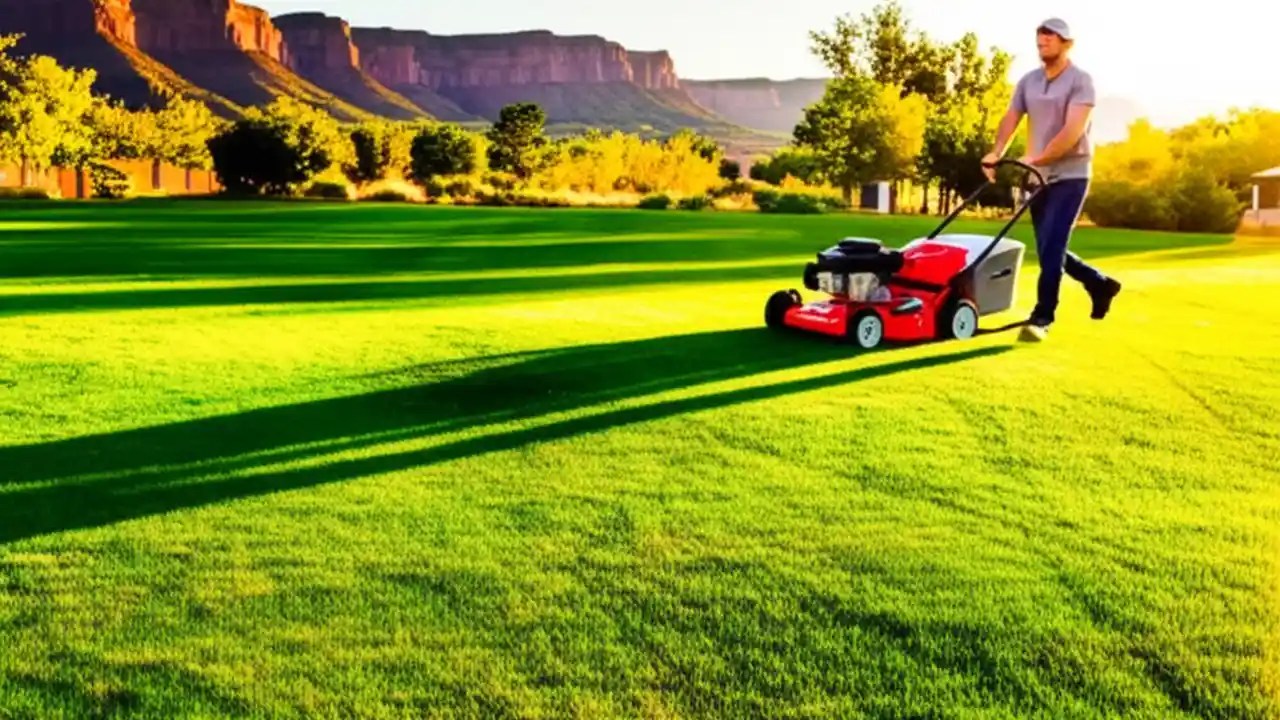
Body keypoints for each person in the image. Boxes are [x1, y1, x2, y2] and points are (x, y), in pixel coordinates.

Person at [983, 17, 1122, 342]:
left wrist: (1038, 158)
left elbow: (1072, 131)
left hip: (1071, 175)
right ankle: (1099, 283)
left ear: (1067, 44)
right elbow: (1011, 117)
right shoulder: (1029, 81)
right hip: (1038, 178)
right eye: (1040, 36)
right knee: (1049, 248)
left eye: (1051, 36)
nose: (1043, 40)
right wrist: (996, 151)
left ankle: (1042, 316)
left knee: (1053, 247)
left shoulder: (1081, 81)